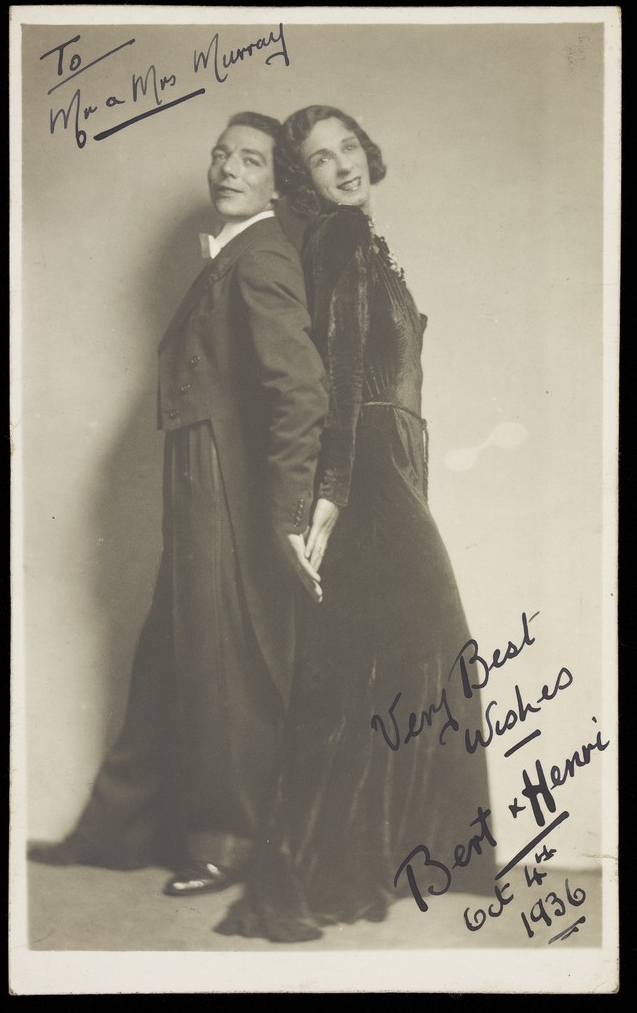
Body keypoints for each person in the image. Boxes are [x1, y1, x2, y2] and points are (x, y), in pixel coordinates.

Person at [28, 112, 328, 896]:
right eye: (222, 154)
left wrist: (289, 514)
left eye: (251, 160)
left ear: (278, 183)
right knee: (169, 656)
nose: (228, 169)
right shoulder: (233, 255)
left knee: (219, 662)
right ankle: (118, 833)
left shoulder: (262, 257)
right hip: (198, 474)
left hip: (225, 481)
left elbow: (302, 393)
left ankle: (228, 841)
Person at [216, 105, 496, 942]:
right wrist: (331, 490)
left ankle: (397, 853)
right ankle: (300, 875)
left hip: (391, 464)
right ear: (303, 181)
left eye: (348, 148)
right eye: (318, 159)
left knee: (390, 660)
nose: (342, 166)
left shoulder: (365, 241)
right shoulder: (339, 238)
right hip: (365, 469)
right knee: (367, 666)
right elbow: (337, 372)